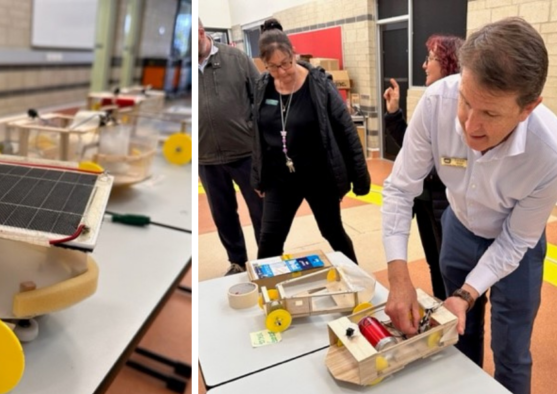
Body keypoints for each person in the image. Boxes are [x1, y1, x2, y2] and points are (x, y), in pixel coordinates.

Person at [381, 17, 557, 394]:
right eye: (466, 101)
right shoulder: (436, 102)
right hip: (459, 227)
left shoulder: (549, 156)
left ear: (528, 108)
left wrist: (466, 294)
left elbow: (516, 241)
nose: (471, 125)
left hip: (516, 247)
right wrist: (398, 278)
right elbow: (400, 189)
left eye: (491, 114)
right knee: (459, 335)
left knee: (512, 353)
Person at [251, 19, 370, 265]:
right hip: (279, 178)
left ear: (293, 54)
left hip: (318, 177)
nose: (282, 72)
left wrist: (360, 177)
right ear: (264, 64)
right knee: (269, 240)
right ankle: (264, 286)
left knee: (332, 232)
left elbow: (346, 130)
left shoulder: (318, 84)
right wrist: (258, 176)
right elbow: (258, 136)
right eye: (273, 67)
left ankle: (356, 277)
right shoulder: (263, 86)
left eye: (286, 63)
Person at [382, 34, 464, 298]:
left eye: (430, 59)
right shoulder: (432, 99)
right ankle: (441, 306)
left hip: (445, 202)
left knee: (451, 266)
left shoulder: (460, 105)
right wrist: (393, 113)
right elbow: (414, 149)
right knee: (434, 261)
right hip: (423, 199)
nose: (424, 65)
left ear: (448, 62)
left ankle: (455, 312)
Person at [198, 18, 265, 276]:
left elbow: (262, 99)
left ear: (201, 32)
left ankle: (267, 259)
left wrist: (257, 136)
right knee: (223, 215)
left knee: (261, 211)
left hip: (246, 153)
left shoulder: (237, 59)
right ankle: (237, 261)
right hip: (206, 157)